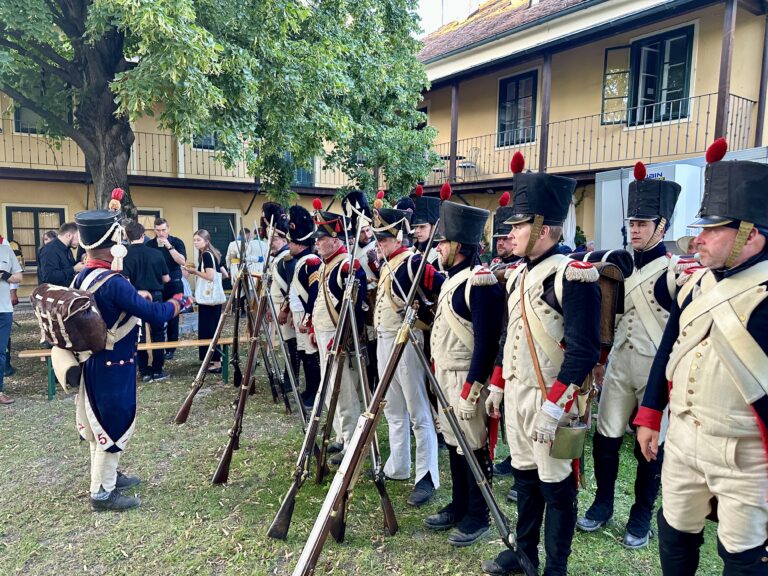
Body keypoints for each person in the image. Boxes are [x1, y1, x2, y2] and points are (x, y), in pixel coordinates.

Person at [635, 139, 768, 575]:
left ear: (752, 235)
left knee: (743, 558)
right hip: (684, 441)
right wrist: (651, 416)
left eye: (712, 229)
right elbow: (668, 352)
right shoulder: (694, 285)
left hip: (746, 456)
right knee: (674, 536)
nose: (698, 239)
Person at [482, 167, 601, 576]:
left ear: (545, 229)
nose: (510, 233)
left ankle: (556, 568)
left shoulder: (573, 275)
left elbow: (584, 352)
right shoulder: (518, 274)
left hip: (552, 399)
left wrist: (554, 408)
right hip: (517, 395)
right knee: (525, 480)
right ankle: (524, 553)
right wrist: (498, 383)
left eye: (518, 225)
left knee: (557, 489)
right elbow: (507, 336)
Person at [576, 164, 685, 549]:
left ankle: (641, 514)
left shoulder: (675, 272)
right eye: (632, 222)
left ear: (663, 226)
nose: (635, 229)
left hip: (657, 372)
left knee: (648, 447)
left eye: (643, 223)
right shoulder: (618, 264)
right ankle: (603, 503)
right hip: (620, 366)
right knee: (605, 438)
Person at [72, 203, 187, 510]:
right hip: (112, 364)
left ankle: (108, 476)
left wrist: (136, 298)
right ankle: (102, 492)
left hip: (93, 360)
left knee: (100, 420)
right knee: (112, 421)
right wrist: (178, 301)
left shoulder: (83, 276)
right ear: (113, 246)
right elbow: (154, 314)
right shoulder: (114, 283)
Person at [423, 196, 504, 547]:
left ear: (457, 245)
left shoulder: (480, 283)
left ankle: (478, 514)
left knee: (473, 446)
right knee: (454, 443)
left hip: (466, 378)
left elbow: (487, 344)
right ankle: (459, 505)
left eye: (442, 242)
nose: (438, 247)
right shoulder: (451, 279)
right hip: (446, 375)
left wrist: (472, 390)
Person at [372, 206, 444, 507]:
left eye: (384, 240)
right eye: (378, 240)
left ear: (397, 237)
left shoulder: (413, 263)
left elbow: (443, 291)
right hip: (384, 340)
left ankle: (426, 476)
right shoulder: (386, 266)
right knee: (393, 409)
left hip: (409, 340)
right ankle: (399, 464)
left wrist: (424, 315)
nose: (379, 245)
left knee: (418, 411)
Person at [308, 201, 367, 465]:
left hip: (338, 336)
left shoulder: (347, 266)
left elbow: (355, 307)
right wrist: (312, 327)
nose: (317, 243)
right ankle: (343, 435)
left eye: (321, 239)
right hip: (323, 335)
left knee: (344, 390)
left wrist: (341, 337)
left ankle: (352, 441)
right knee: (331, 386)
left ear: (334, 239)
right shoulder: (326, 265)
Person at [488, 191, 523, 497]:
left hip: (518, 341)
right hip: (497, 339)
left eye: (506, 238)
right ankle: (509, 457)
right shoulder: (495, 264)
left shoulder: (522, 268)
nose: (501, 243)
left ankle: (518, 463)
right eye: (498, 238)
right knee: (504, 408)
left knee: (520, 410)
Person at [122, 221, 170, 383]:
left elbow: (124, 281)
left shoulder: (124, 256)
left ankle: (144, 371)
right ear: (143, 235)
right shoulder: (157, 254)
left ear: (127, 237)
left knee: (138, 333)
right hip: (155, 295)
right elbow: (166, 278)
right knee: (158, 332)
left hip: (135, 297)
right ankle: (158, 369)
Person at [284, 205, 322, 409]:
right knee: (304, 354)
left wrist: (308, 319)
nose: (288, 245)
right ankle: (309, 389)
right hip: (299, 315)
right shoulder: (302, 261)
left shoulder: (312, 262)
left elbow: (314, 295)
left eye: (290, 241)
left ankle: (314, 392)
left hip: (307, 316)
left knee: (311, 355)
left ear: (298, 243)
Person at [342, 190, 379, 391]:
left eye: (368, 230)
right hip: (359, 301)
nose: (366, 234)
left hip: (373, 304)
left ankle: (374, 385)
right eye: (362, 230)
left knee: (373, 348)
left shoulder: (375, 250)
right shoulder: (353, 248)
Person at [262, 203, 297, 396]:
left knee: (291, 347)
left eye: (273, 238)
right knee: (286, 345)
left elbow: (291, 289)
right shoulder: (277, 258)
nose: (270, 241)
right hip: (276, 305)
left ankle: (291, 379)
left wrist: (286, 310)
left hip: (286, 309)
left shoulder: (287, 259)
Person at [147, 218, 186, 360]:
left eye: (163, 230)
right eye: (158, 230)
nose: (161, 233)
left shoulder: (177, 242)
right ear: (154, 230)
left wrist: (169, 246)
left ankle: (171, 347)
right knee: (156, 316)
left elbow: (182, 261)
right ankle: (158, 346)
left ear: (168, 229)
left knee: (173, 317)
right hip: (157, 284)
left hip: (174, 283)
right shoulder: (150, 244)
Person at [187, 229, 223, 373]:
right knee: (211, 329)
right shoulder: (212, 253)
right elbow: (223, 273)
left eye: (198, 240)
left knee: (209, 330)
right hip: (212, 301)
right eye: (194, 240)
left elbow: (210, 276)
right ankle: (213, 359)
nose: (196, 243)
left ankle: (215, 362)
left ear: (206, 241)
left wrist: (194, 272)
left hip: (209, 301)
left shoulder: (207, 255)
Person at [0, 240, 23, 404]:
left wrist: (4, 275)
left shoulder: (6, 250)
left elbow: (19, 276)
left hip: (4, 310)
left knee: (1, 352)